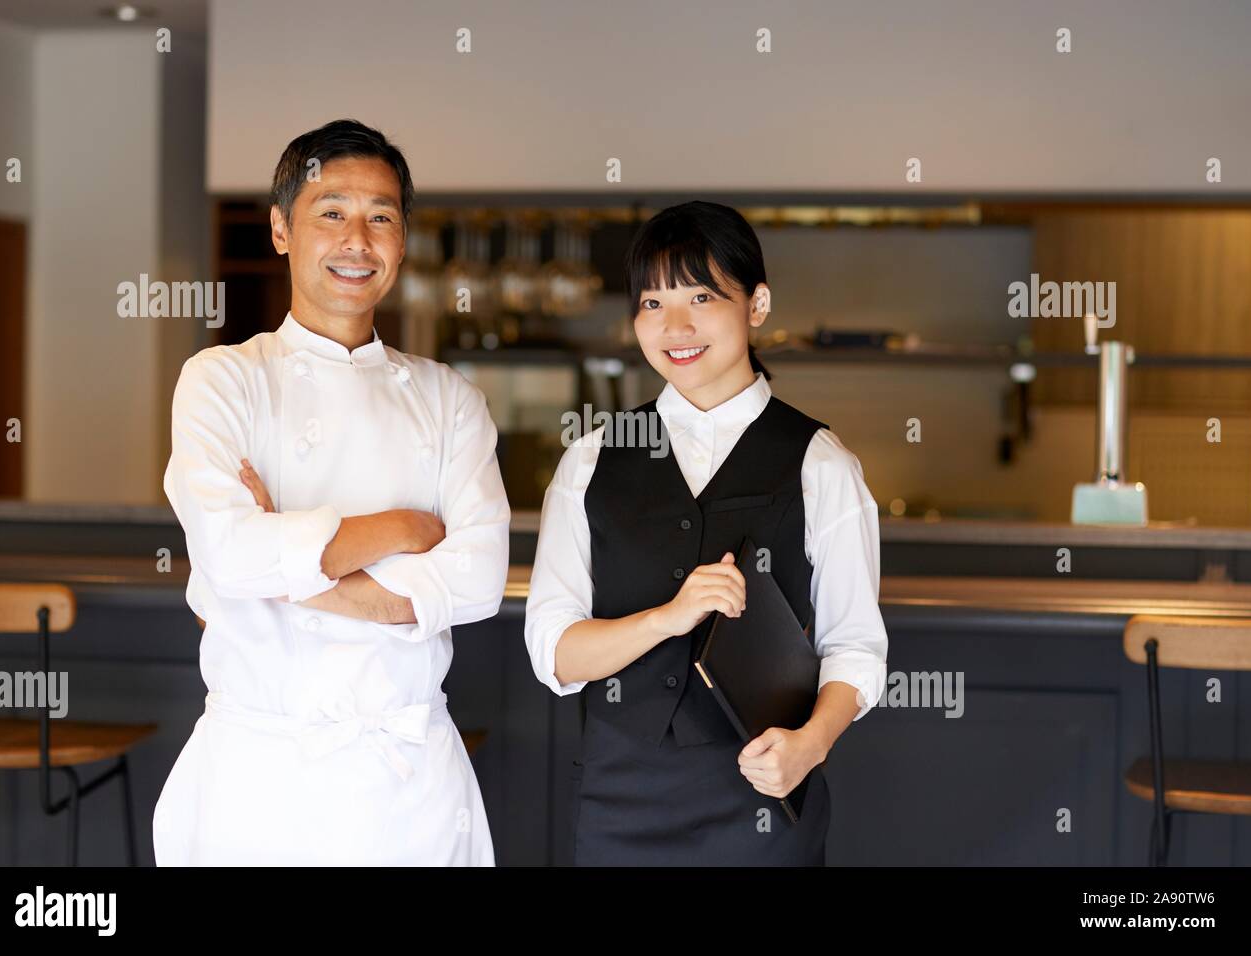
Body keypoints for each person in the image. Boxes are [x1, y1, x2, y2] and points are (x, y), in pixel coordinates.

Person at [153, 119, 509, 865]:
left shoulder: (451, 401)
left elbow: (476, 581)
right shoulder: (223, 380)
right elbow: (231, 555)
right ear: (282, 229)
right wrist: (407, 528)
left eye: (381, 216)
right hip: (261, 786)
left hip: (406, 790)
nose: (358, 240)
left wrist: (288, 558)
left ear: (404, 239)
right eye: (332, 213)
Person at [524, 201, 888, 865]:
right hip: (620, 805)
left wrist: (810, 745)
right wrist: (668, 617)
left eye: (701, 295)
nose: (676, 326)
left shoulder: (820, 461)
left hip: (760, 799)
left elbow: (856, 647)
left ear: (757, 304)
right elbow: (554, 654)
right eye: (653, 303)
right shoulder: (590, 460)